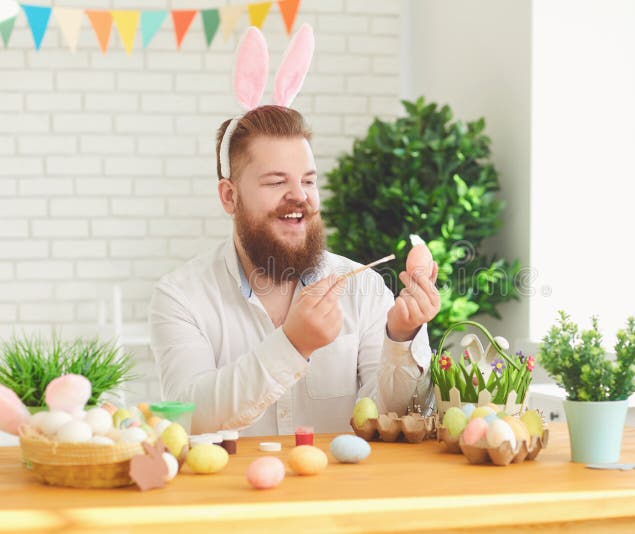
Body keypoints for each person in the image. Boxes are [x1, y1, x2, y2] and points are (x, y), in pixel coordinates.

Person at [148, 105, 439, 435]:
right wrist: (292, 345)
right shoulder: (181, 297)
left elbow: (389, 418)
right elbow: (190, 416)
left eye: (308, 181)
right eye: (276, 182)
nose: (300, 196)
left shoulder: (366, 289)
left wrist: (401, 337)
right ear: (230, 196)